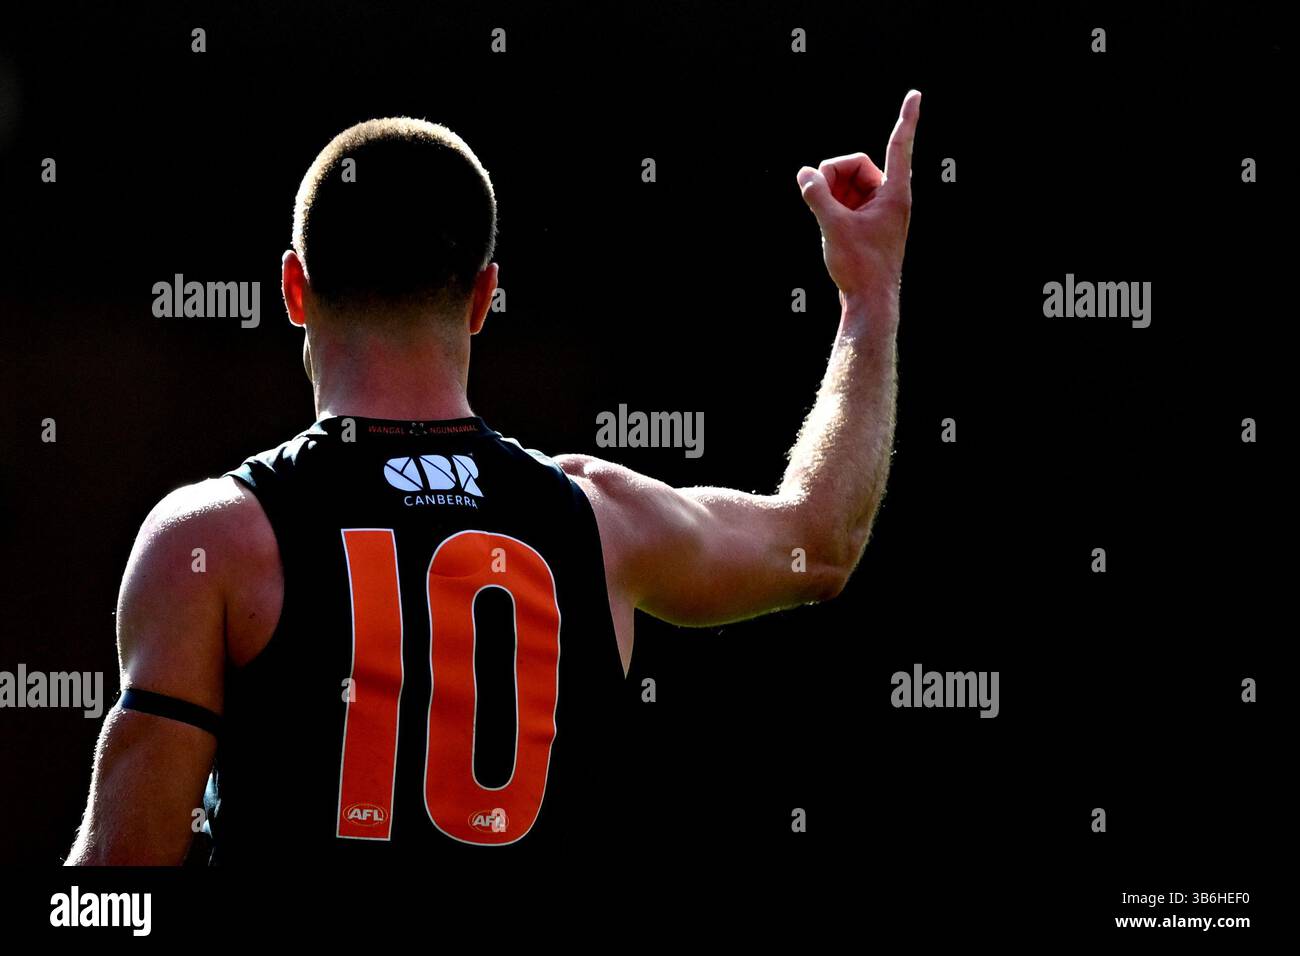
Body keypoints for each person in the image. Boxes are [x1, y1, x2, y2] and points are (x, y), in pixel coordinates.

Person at [66, 91, 921, 863]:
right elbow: (820, 540)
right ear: (483, 297)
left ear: (293, 288)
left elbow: (118, 890)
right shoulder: (599, 521)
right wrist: (868, 296)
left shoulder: (212, 541)